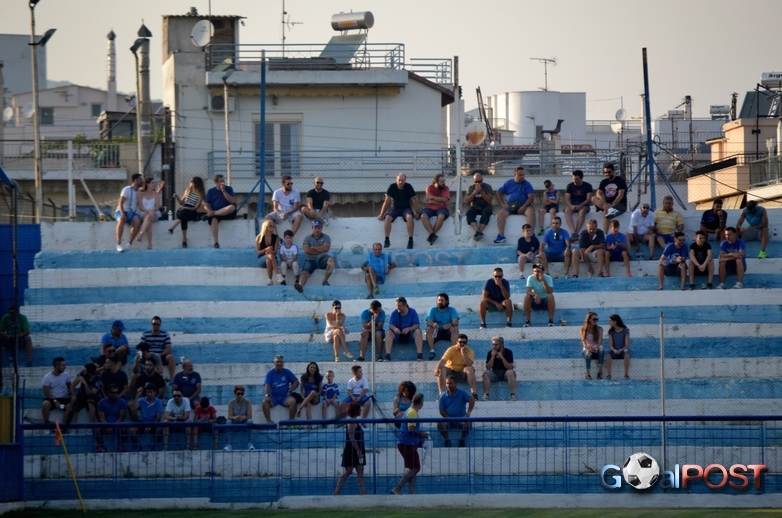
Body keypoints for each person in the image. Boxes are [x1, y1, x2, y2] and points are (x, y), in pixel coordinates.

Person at [391, 393, 428, 495]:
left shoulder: (409, 411)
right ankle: (397, 488)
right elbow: (411, 428)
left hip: (407, 443)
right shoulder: (412, 413)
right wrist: (422, 434)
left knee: (412, 469)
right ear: (421, 403)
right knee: (416, 468)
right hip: (407, 443)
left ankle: (411, 493)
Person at [377, 173, 421, 250]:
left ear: (405, 180)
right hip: (395, 208)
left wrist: (418, 213)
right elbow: (386, 201)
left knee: (410, 217)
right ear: (396, 180)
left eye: (403, 180)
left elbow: (414, 201)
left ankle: (410, 240)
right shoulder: (392, 187)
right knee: (387, 217)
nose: (401, 182)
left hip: (406, 208)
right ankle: (387, 239)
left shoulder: (408, 187)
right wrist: (381, 214)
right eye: (399, 180)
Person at [333, 402, 367, 496]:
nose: (361, 411)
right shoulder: (351, 422)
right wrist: (358, 450)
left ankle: (363, 493)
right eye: (359, 409)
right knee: (348, 471)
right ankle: (337, 492)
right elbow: (351, 437)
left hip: (357, 449)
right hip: (352, 450)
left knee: (360, 470)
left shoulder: (355, 422)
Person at [494, 166, 535, 243]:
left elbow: (531, 198)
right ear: (515, 174)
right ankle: (501, 235)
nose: (522, 177)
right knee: (501, 213)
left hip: (524, 206)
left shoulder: (527, 184)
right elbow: (498, 193)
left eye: (523, 175)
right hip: (510, 206)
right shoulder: (508, 183)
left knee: (531, 212)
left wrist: (523, 207)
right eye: (520, 175)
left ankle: (531, 234)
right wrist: (502, 203)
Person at [294, 220, 335, 293]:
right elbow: (307, 250)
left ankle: (325, 281)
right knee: (304, 273)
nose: (317, 230)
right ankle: (300, 285)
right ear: (312, 228)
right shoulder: (307, 238)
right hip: (310, 260)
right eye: (315, 228)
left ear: (321, 228)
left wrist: (313, 247)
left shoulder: (326, 237)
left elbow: (326, 248)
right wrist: (320, 249)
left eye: (319, 228)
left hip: (322, 259)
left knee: (331, 260)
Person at [433, 334, 478, 398]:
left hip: (462, 372)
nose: (462, 344)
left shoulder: (469, 351)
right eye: (460, 342)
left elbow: (469, 364)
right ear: (457, 342)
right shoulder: (451, 349)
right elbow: (443, 360)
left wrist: (462, 352)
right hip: (450, 371)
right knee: (441, 369)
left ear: (466, 343)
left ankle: (473, 393)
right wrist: (437, 369)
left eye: (464, 342)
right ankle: (441, 394)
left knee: (470, 368)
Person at [167, 176, 206, 249]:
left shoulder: (200, 194)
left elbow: (196, 207)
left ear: (196, 183)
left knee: (183, 213)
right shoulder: (188, 191)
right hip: (183, 209)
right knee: (183, 215)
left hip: (191, 210)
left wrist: (186, 208)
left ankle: (172, 229)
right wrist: (177, 197)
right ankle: (184, 239)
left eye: (192, 181)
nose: (190, 183)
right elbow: (182, 202)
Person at [438, 375, 475, 448]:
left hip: (461, 419)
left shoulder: (462, 392)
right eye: (447, 383)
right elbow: (441, 410)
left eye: (450, 383)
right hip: (448, 420)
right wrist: (449, 418)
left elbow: (472, 400)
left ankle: (462, 440)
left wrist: (468, 413)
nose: (448, 385)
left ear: (456, 384)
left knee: (469, 422)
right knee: (440, 423)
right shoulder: (443, 396)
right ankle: (447, 440)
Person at [262, 355, 301, 423]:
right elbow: (267, 385)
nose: (279, 363)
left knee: (293, 401)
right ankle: (269, 422)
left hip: (284, 397)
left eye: (281, 362)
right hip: (273, 397)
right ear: (274, 363)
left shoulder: (287, 372)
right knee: (264, 402)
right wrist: (267, 395)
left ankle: (291, 423)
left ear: (283, 363)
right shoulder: (270, 373)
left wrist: (290, 390)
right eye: (277, 362)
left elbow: (296, 382)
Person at [383, 296, 424, 362]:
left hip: (410, 334)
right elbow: (391, 325)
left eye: (400, 306)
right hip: (398, 334)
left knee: (418, 331)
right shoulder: (394, 313)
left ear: (405, 305)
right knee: (388, 332)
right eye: (396, 306)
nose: (397, 308)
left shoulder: (412, 312)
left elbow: (417, 325)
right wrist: (395, 329)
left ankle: (420, 354)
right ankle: (387, 355)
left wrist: (409, 329)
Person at [202, 174, 237, 249]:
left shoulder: (229, 189)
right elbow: (206, 204)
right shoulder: (211, 191)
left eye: (223, 181)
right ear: (216, 182)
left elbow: (232, 200)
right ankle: (216, 242)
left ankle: (211, 214)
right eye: (221, 181)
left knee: (232, 207)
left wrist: (224, 191)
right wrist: (209, 211)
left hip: (227, 212)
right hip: (216, 212)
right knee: (214, 220)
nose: (223, 183)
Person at [591, 163, 627, 230]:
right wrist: (601, 198)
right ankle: (606, 207)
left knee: (606, 212)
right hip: (606, 204)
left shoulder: (620, 181)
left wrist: (612, 204)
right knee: (593, 198)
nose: (607, 174)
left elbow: (620, 195)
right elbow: (598, 192)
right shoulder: (604, 182)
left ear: (613, 171)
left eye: (609, 172)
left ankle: (605, 234)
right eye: (605, 172)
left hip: (619, 205)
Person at [129, 382, 163, 451]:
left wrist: (151, 425)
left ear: (155, 392)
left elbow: (158, 418)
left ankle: (155, 445)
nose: (149, 394)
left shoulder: (159, 402)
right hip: (142, 423)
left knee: (160, 429)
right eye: (147, 392)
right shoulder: (141, 400)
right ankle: (139, 446)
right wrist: (138, 395)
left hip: (153, 423)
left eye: (151, 392)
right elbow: (133, 408)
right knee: (132, 429)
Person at [425, 293, 459, 361]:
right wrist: (433, 324)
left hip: (447, 332)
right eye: (439, 300)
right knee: (429, 329)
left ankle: (453, 352)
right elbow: (428, 321)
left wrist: (450, 324)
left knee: (454, 329)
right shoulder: (432, 310)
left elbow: (456, 321)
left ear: (446, 301)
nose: (440, 302)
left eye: (442, 300)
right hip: (436, 332)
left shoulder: (452, 310)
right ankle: (432, 352)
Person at [115, 173, 144, 252]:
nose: (142, 181)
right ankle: (118, 243)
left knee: (138, 221)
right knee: (121, 220)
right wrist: (123, 214)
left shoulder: (140, 191)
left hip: (132, 213)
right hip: (122, 210)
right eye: (140, 180)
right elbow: (120, 203)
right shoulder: (126, 189)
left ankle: (129, 243)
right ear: (135, 180)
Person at [96, 384, 128, 452]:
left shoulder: (122, 402)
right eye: (113, 392)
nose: (115, 394)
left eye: (117, 392)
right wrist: (107, 426)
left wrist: (114, 426)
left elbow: (121, 418)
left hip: (118, 425)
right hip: (106, 425)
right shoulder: (102, 402)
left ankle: (120, 446)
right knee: (96, 428)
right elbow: (102, 418)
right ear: (108, 392)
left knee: (124, 428)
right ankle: (102, 447)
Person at [482, 336, 516, 401]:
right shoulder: (490, 353)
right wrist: (492, 357)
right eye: (493, 344)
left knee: (510, 372)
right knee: (486, 373)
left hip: (505, 373)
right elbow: (488, 367)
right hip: (495, 373)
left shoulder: (508, 352)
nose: (494, 346)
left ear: (502, 345)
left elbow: (510, 367)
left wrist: (502, 357)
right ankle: (486, 395)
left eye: (496, 345)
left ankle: (513, 394)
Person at [41, 357, 73, 427]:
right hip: (52, 399)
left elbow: (70, 387)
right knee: (45, 404)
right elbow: (46, 393)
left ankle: (62, 427)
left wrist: (68, 393)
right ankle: (46, 425)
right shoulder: (47, 377)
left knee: (70, 407)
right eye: (63, 365)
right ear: (57, 366)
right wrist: (55, 401)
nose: (65, 367)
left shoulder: (66, 375)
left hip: (63, 400)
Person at [142, 316, 175, 381]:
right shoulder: (145, 334)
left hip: (161, 356)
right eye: (154, 324)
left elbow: (168, 349)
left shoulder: (165, 334)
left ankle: (172, 379)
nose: (156, 325)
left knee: (171, 357)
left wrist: (159, 355)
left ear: (160, 325)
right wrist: (148, 355)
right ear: (151, 324)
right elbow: (141, 348)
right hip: (149, 357)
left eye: (158, 324)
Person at [421, 173, 450, 245]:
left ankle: (432, 235)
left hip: (442, 208)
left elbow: (445, 200)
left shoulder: (446, 188)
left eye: (444, 181)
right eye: (442, 182)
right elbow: (428, 201)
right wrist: (440, 201)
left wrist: (433, 197)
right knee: (423, 216)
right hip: (430, 207)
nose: (444, 183)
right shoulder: (429, 188)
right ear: (436, 182)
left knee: (441, 216)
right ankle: (432, 234)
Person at [464, 170, 494, 241]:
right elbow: (467, 201)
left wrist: (481, 192)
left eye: (479, 181)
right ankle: (477, 231)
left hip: (485, 206)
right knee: (469, 213)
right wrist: (474, 193)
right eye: (476, 182)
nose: (478, 183)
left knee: (487, 212)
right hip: (475, 206)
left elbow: (489, 200)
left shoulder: (487, 187)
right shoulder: (471, 188)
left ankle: (479, 231)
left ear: (482, 180)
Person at [523, 263, 555, 327]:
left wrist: (543, 281)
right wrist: (536, 294)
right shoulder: (530, 278)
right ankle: (527, 320)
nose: (536, 273)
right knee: (527, 297)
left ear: (542, 272)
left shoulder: (548, 278)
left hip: (545, 301)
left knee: (551, 296)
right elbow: (528, 291)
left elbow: (550, 292)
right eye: (535, 271)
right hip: (535, 300)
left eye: (538, 271)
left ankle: (551, 320)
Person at [564, 169, 593, 235]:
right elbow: (567, 199)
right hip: (572, 204)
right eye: (573, 179)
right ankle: (573, 231)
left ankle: (576, 232)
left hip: (583, 204)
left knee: (582, 212)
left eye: (576, 179)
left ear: (581, 178)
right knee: (567, 211)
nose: (575, 181)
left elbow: (589, 199)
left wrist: (581, 205)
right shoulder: (569, 186)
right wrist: (571, 206)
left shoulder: (588, 186)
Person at [225, 384, 254, 450]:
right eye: (238, 394)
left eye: (242, 393)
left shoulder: (248, 402)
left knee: (250, 421)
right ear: (235, 394)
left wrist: (244, 417)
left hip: (244, 423)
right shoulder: (231, 403)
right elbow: (229, 416)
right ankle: (228, 444)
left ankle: (250, 444)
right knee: (228, 422)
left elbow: (250, 416)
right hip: (234, 423)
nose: (240, 395)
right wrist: (235, 418)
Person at [137, 177, 163, 249]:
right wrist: (148, 211)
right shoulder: (141, 194)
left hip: (154, 213)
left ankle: (141, 234)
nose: (154, 184)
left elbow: (157, 206)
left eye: (155, 183)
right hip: (144, 212)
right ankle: (150, 245)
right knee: (149, 221)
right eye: (152, 183)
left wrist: (152, 211)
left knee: (149, 217)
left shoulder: (156, 194)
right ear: (147, 184)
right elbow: (141, 207)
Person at [256, 219, 283, 285]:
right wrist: (266, 249)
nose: (272, 227)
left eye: (273, 226)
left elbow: (275, 251)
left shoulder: (276, 237)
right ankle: (278, 275)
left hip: (272, 259)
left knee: (269, 259)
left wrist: (271, 251)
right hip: (262, 258)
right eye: (270, 226)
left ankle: (270, 280)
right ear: (265, 227)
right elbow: (259, 252)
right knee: (270, 255)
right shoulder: (259, 237)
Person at [605, 314, 630, 380]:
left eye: (610, 321)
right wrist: (614, 350)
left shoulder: (625, 330)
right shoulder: (611, 332)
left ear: (615, 321)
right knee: (608, 352)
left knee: (627, 352)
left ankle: (626, 374)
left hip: (622, 351)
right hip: (614, 351)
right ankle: (609, 374)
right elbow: (610, 345)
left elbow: (627, 345)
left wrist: (621, 350)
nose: (609, 322)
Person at [580, 312, 604, 380]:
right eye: (594, 319)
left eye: (597, 319)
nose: (596, 321)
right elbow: (583, 342)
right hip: (587, 349)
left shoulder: (599, 329)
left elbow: (600, 341)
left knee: (601, 347)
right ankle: (588, 373)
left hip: (596, 349)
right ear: (589, 319)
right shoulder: (583, 329)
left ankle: (600, 372)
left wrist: (596, 347)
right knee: (588, 352)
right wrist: (588, 347)